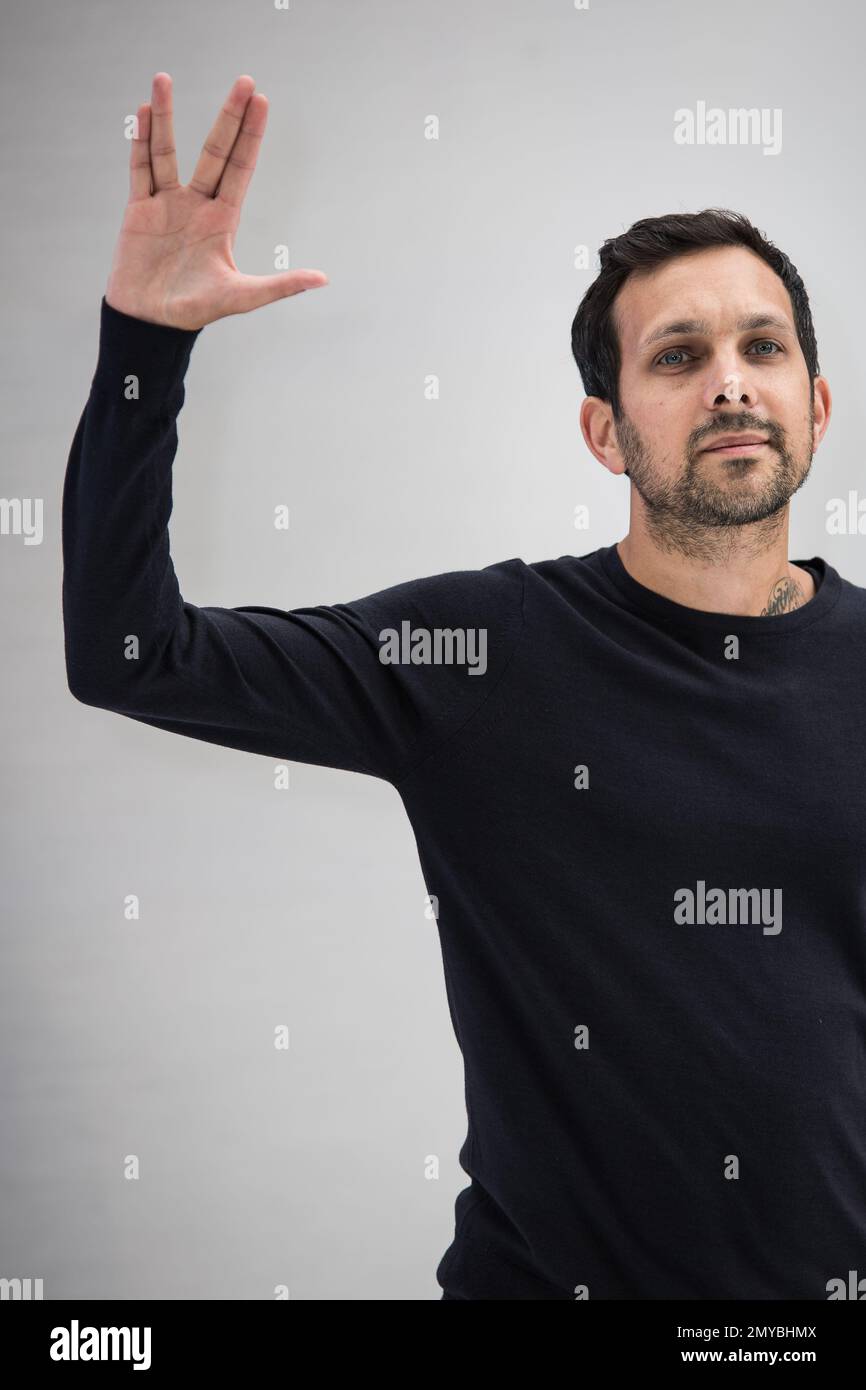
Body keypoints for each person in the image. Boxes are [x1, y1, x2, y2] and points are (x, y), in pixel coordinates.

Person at [63, 72, 866, 1301]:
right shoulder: (484, 653)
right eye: (678, 355)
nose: (728, 382)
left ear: (812, 405)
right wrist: (143, 348)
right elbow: (132, 653)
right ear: (604, 432)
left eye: (762, 348)